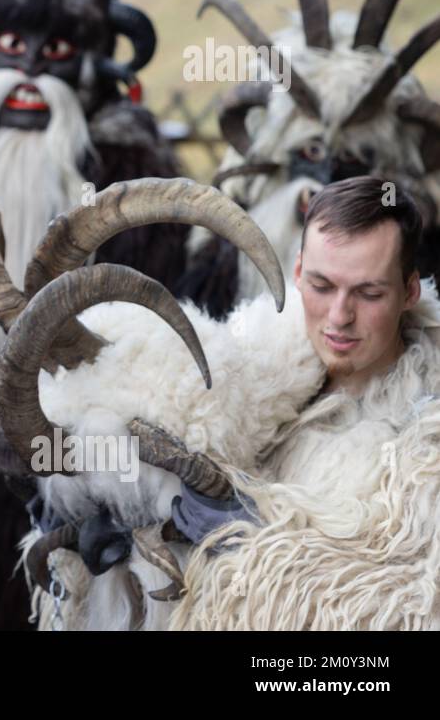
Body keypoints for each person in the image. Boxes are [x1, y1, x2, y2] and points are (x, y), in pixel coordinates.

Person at [172, 174, 440, 629]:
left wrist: (247, 540)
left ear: (409, 291)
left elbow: (406, 607)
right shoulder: (241, 369)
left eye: (369, 293)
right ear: (296, 272)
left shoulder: (424, 448)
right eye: (321, 285)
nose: (339, 318)